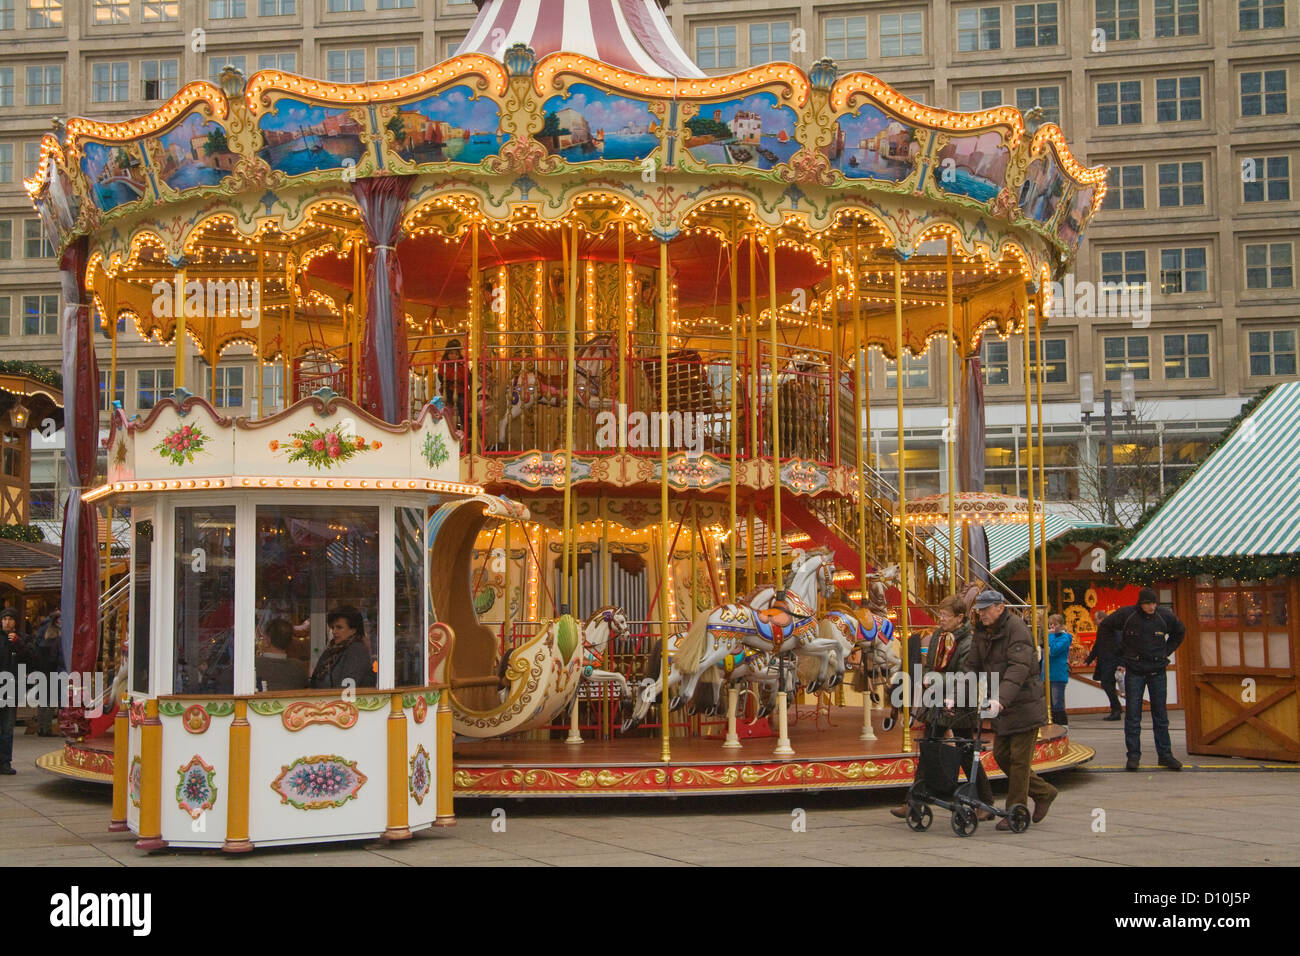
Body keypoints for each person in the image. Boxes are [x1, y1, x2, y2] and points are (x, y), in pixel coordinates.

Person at [891, 594, 996, 821]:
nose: (941, 619)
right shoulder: (939, 636)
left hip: (959, 703)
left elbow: (965, 675)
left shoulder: (967, 641)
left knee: (965, 749)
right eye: (940, 614)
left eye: (945, 615)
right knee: (929, 746)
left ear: (959, 618)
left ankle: (985, 801)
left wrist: (936, 681)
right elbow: (931, 665)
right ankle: (914, 801)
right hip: (938, 702)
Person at [967, 590, 1057, 829]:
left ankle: (1015, 811)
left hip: (1023, 703)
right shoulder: (982, 630)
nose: (982, 613)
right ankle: (1044, 791)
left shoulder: (1016, 628)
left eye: (986, 609)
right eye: (980, 609)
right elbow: (972, 665)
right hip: (1002, 704)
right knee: (1001, 755)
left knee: (1018, 759)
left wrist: (1000, 699)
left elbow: (1018, 668)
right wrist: (955, 692)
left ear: (1000, 607)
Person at [1097, 587, 1185, 771]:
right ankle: (1133, 756)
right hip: (1135, 670)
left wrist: (1165, 651)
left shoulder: (1164, 616)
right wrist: (1118, 652)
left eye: (1154, 603)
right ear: (1141, 603)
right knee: (1133, 716)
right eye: (1148, 604)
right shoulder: (1127, 615)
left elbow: (1180, 632)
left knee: (1160, 716)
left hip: (1157, 670)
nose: (1151, 607)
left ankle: (1165, 755)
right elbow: (1105, 626)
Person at [0, 607, 38, 774]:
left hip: (11, 690)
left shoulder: (22, 639)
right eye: (4, 619)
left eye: (10, 619)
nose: (7, 622)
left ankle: (5, 763)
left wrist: (18, 643)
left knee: (8, 728)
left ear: (15, 622)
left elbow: (32, 658)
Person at [309, 606, 376, 690]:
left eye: (339, 627)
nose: (334, 631)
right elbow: (314, 680)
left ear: (353, 629)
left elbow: (347, 686)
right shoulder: (332, 649)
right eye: (332, 628)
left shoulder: (356, 650)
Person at [1084, 610, 1123, 720]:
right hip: (1105, 661)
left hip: (1112, 662)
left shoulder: (1114, 629)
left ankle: (1116, 709)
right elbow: (1098, 645)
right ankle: (1116, 708)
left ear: (1101, 619)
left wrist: (1121, 663)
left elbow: (1121, 645)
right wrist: (1089, 659)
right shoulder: (1103, 629)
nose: (1094, 621)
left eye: (1095, 619)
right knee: (1107, 684)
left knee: (1107, 684)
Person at [256, 619, 309, 692]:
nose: (261, 640)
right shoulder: (299, 667)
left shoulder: (253, 665)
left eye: (263, 637)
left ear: (267, 640)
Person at [33, 611, 64, 736]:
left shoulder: (43, 634)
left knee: (43, 701)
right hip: (53, 670)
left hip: (42, 670)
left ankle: (41, 727)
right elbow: (57, 657)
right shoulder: (59, 638)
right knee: (51, 701)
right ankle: (46, 728)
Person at [1044, 613, 1073, 727]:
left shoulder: (1064, 638)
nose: (1052, 627)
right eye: (1050, 624)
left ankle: (1063, 725)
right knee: (1050, 703)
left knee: (1057, 703)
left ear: (1061, 625)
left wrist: (1049, 636)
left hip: (1058, 674)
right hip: (1048, 674)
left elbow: (1053, 651)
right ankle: (1055, 726)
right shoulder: (1052, 636)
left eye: (1054, 624)